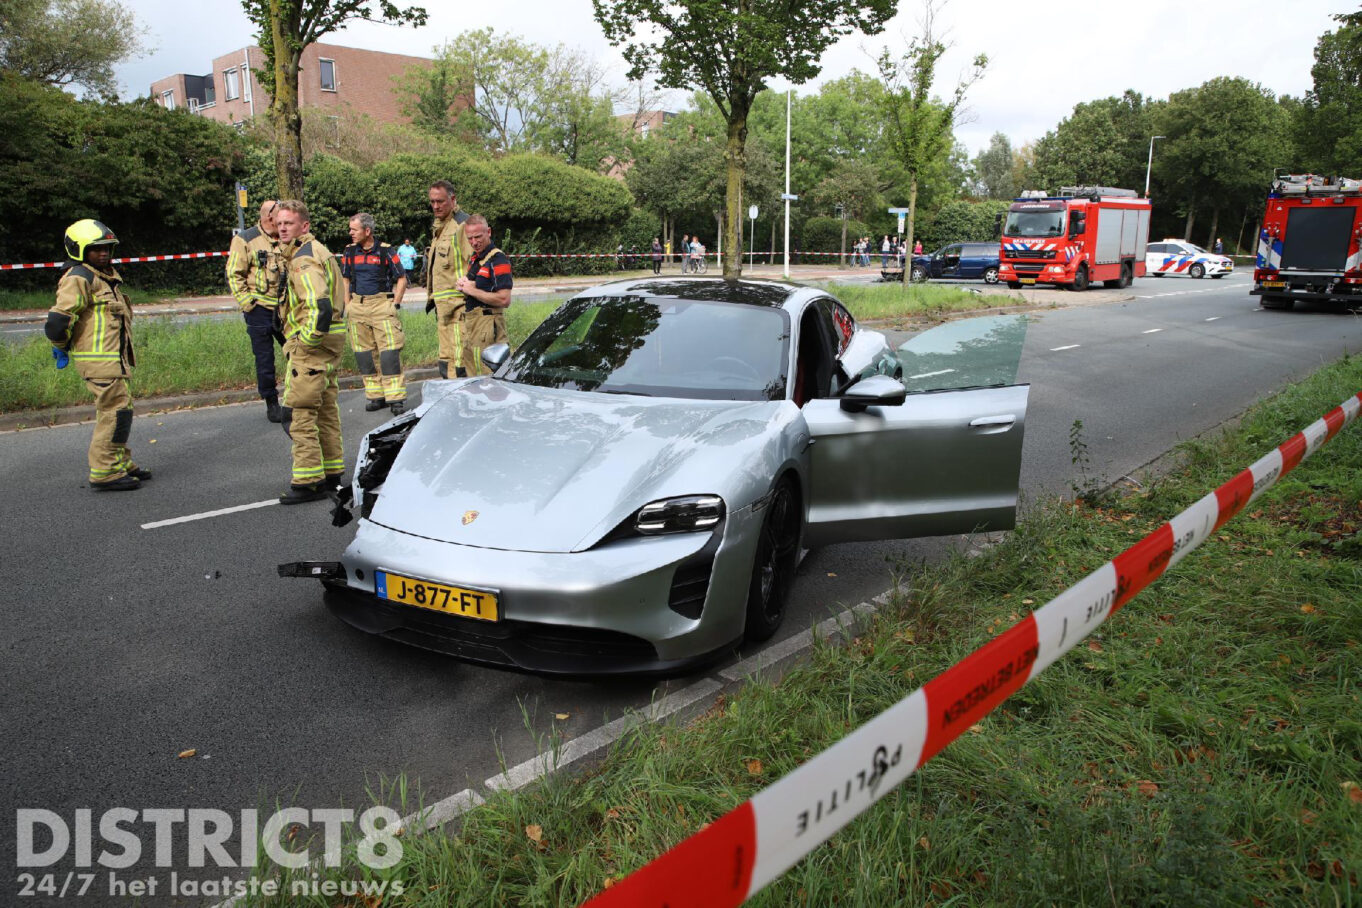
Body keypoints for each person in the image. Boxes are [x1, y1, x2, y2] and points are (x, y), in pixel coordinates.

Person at [46, 219, 151, 491]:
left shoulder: (102, 276)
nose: (103, 253)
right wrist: (60, 345)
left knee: (121, 411)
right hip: (99, 361)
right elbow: (58, 321)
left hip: (112, 361)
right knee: (114, 413)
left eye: (106, 248)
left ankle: (119, 461)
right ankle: (105, 470)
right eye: (96, 249)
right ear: (79, 250)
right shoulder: (79, 277)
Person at [274, 200, 347, 504]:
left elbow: (319, 304)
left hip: (312, 346)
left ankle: (307, 481)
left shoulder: (303, 259)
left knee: (299, 412)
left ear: (305, 226)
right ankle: (331, 473)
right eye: (279, 223)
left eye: (288, 223)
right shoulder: (318, 250)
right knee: (326, 409)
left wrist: (305, 342)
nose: (281, 229)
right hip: (331, 342)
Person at [341, 212, 408, 415]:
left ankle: (395, 398)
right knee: (364, 355)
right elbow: (345, 279)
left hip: (382, 306)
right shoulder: (349, 251)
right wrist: (348, 305)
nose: (350, 233)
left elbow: (402, 278)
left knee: (388, 354)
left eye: (354, 229)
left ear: (367, 231)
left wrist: (395, 304)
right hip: (357, 307)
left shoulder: (386, 251)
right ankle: (375, 395)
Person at [226, 200, 287, 423]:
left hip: (285, 308)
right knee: (264, 360)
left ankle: (297, 398)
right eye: (279, 218)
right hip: (258, 310)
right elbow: (234, 274)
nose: (283, 223)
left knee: (297, 352)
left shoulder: (285, 237)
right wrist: (248, 304)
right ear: (269, 217)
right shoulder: (245, 239)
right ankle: (271, 403)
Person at [425, 180, 473, 379]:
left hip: (459, 309)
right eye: (432, 202)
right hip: (443, 309)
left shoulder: (462, 225)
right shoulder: (441, 228)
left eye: (440, 201)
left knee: (460, 363)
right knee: (446, 361)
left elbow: (475, 263)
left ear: (453, 200)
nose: (436, 206)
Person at [455, 215, 513, 376]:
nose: (474, 242)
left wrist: (471, 290)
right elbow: (474, 286)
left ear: (488, 232)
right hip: (472, 325)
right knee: (473, 375)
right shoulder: (477, 259)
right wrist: (463, 284)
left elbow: (504, 299)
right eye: (470, 238)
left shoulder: (498, 259)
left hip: (487, 325)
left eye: (478, 237)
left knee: (488, 378)